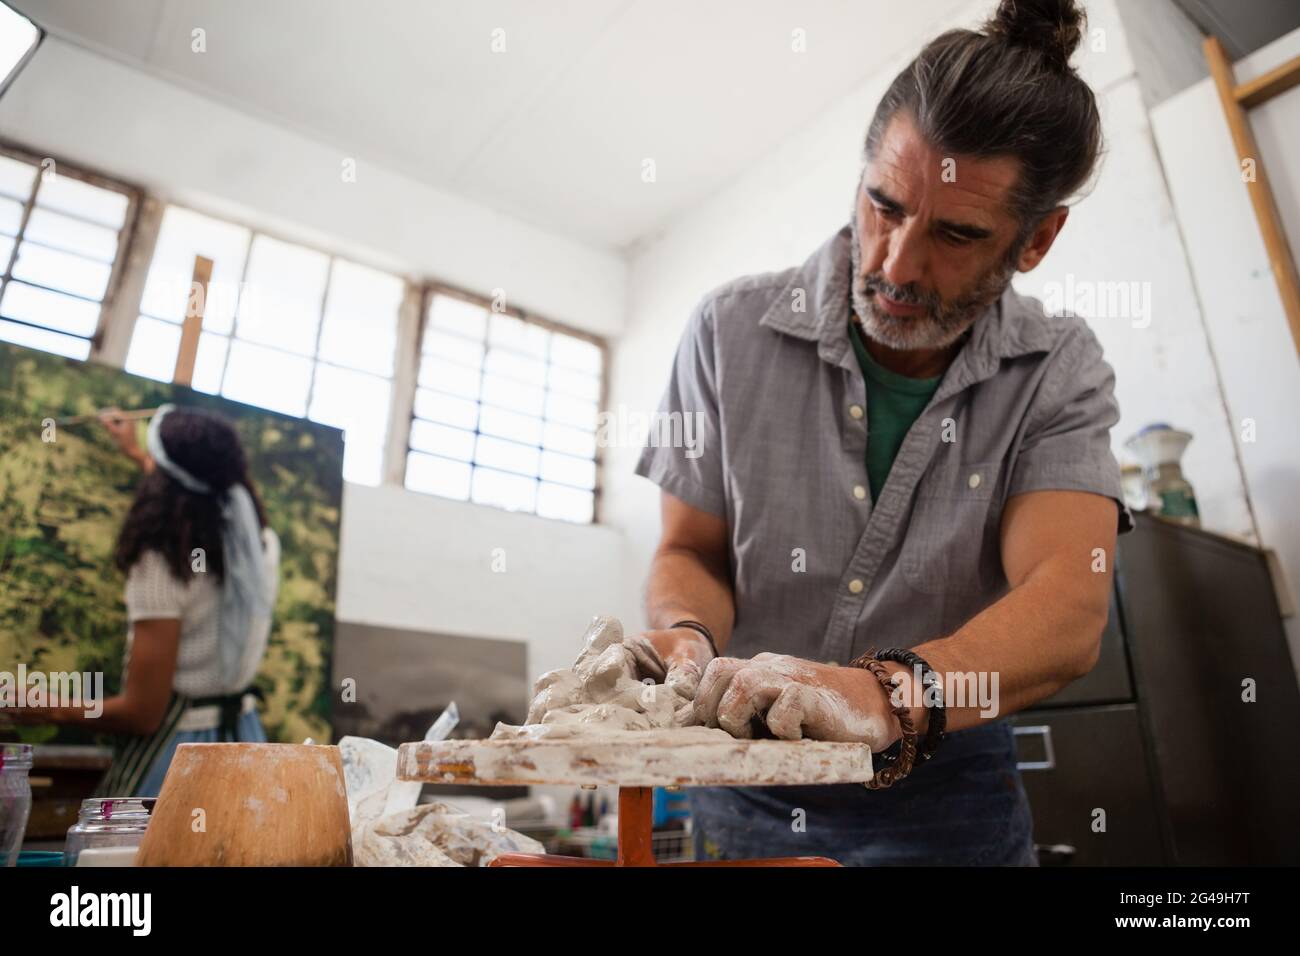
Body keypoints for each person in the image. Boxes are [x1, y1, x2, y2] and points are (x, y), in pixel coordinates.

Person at [627, 0, 1130, 865]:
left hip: (946, 784)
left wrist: (886, 696)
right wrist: (687, 635)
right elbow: (692, 551)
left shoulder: (1059, 367)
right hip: (745, 773)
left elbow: (1068, 603)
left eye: (957, 234)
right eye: (884, 205)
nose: (896, 264)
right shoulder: (726, 331)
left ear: (1037, 238)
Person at [8, 404, 280, 797]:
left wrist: (47, 706)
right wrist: (138, 454)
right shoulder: (261, 545)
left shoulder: (163, 563)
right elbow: (197, 492)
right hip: (245, 745)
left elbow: (142, 714)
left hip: (180, 758)